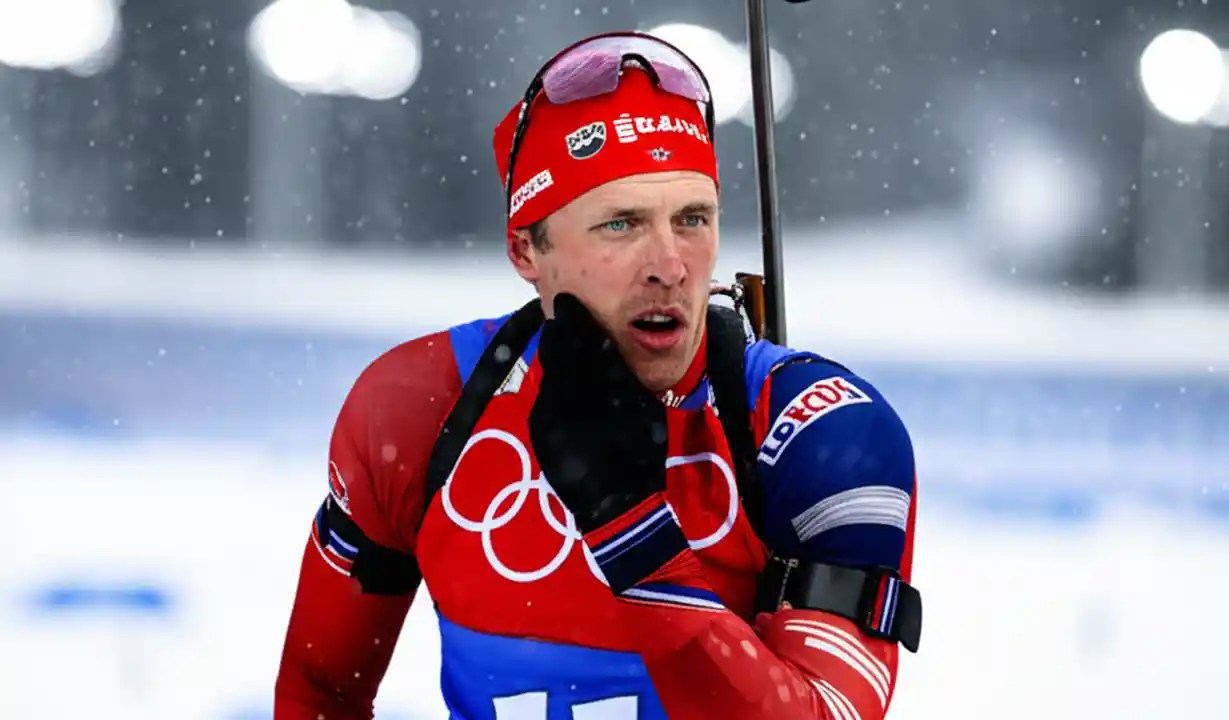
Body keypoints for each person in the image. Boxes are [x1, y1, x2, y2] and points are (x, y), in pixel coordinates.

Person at [275, 31, 921, 720]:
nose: (669, 266)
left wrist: (633, 533)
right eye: (622, 224)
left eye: (692, 218)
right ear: (526, 249)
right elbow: (319, 692)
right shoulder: (420, 407)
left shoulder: (819, 430)